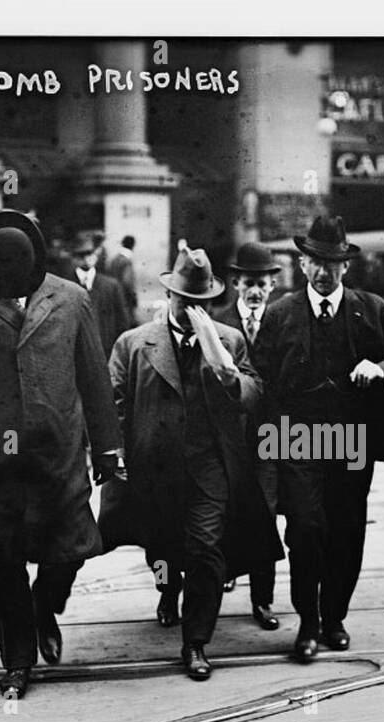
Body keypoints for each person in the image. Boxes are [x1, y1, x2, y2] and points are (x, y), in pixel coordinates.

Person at [0, 210, 121, 699]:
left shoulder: (71, 298)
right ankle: (17, 661)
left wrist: (110, 447)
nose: (9, 269)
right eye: (0, 261)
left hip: (56, 453)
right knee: (0, 562)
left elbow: (94, 379)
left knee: (72, 549)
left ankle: (44, 606)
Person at [253, 215, 384, 660]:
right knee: (307, 528)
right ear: (303, 263)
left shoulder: (370, 309)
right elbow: (259, 379)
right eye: (315, 262)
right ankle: (307, 623)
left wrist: (381, 369)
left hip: (352, 440)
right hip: (298, 440)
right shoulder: (279, 315)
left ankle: (334, 618)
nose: (324, 271)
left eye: (333, 263)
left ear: (346, 266)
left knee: (346, 531)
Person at [104, 242, 279, 681]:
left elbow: (254, 396)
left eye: (201, 303)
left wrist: (221, 362)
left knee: (206, 549)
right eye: (185, 301)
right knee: (161, 545)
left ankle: (196, 642)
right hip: (155, 466)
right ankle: (167, 592)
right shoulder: (133, 342)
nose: (192, 310)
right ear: (169, 297)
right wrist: (117, 452)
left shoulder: (229, 340)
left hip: (209, 466)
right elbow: (114, 403)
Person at [212, 242, 284, 630]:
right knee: (220, 512)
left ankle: (263, 600)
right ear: (235, 283)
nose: (255, 290)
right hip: (227, 439)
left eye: (263, 283)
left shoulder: (281, 321)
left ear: (273, 285)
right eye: (248, 283)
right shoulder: (218, 323)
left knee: (266, 515)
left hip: (270, 439)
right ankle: (220, 576)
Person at [66, 234, 131, 359]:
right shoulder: (65, 285)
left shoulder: (111, 286)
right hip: (75, 356)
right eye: (81, 255)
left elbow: (122, 322)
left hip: (105, 353)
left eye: (90, 254)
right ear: (73, 258)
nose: (86, 259)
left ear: (96, 255)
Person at [105, 235, 138, 319]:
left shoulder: (114, 259)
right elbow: (127, 282)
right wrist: (133, 296)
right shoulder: (126, 261)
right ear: (133, 245)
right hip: (125, 298)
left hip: (114, 296)